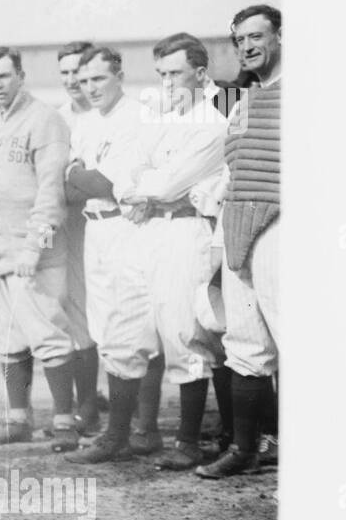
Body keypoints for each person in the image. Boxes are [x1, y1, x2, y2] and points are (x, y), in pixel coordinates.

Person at [114, 33, 227, 470]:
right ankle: (137, 432)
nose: (167, 82)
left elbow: (161, 184)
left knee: (186, 331)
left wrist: (154, 188)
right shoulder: (166, 115)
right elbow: (128, 173)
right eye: (161, 74)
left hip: (187, 232)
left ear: (200, 73)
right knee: (142, 326)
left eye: (176, 73)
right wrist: (153, 188)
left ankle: (189, 440)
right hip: (153, 230)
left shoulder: (213, 119)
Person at [0, 47, 79, 452]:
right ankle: (17, 420)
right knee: (6, 338)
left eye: (4, 77)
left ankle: (65, 421)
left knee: (48, 334)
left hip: (31, 253)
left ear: (21, 76)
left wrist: (34, 246)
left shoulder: (45, 120)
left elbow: (51, 191)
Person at [198, 5, 282, 479]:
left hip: (283, 225)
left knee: (296, 340)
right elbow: (231, 166)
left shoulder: (308, 88)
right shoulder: (243, 97)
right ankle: (246, 448)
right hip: (238, 222)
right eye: (239, 40)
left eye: (256, 36)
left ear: (281, 36)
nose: (247, 46)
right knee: (244, 340)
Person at [63, 46, 156, 464]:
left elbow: (102, 182)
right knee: (102, 327)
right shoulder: (83, 121)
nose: (90, 88)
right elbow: (69, 186)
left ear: (119, 75)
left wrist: (76, 176)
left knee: (128, 327)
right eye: (83, 81)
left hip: (126, 225)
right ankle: (126, 430)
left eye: (98, 79)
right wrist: (78, 178)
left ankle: (122, 434)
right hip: (95, 229)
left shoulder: (137, 115)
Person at [53, 40, 104, 433]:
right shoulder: (56, 120)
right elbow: (54, 181)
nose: (72, 81)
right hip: (70, 223)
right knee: (73, 310)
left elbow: (109, 182)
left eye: (79, 72)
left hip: (109, 222)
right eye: (65, 73)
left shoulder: (108, 116)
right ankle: (85, 404)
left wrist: (77, 178)